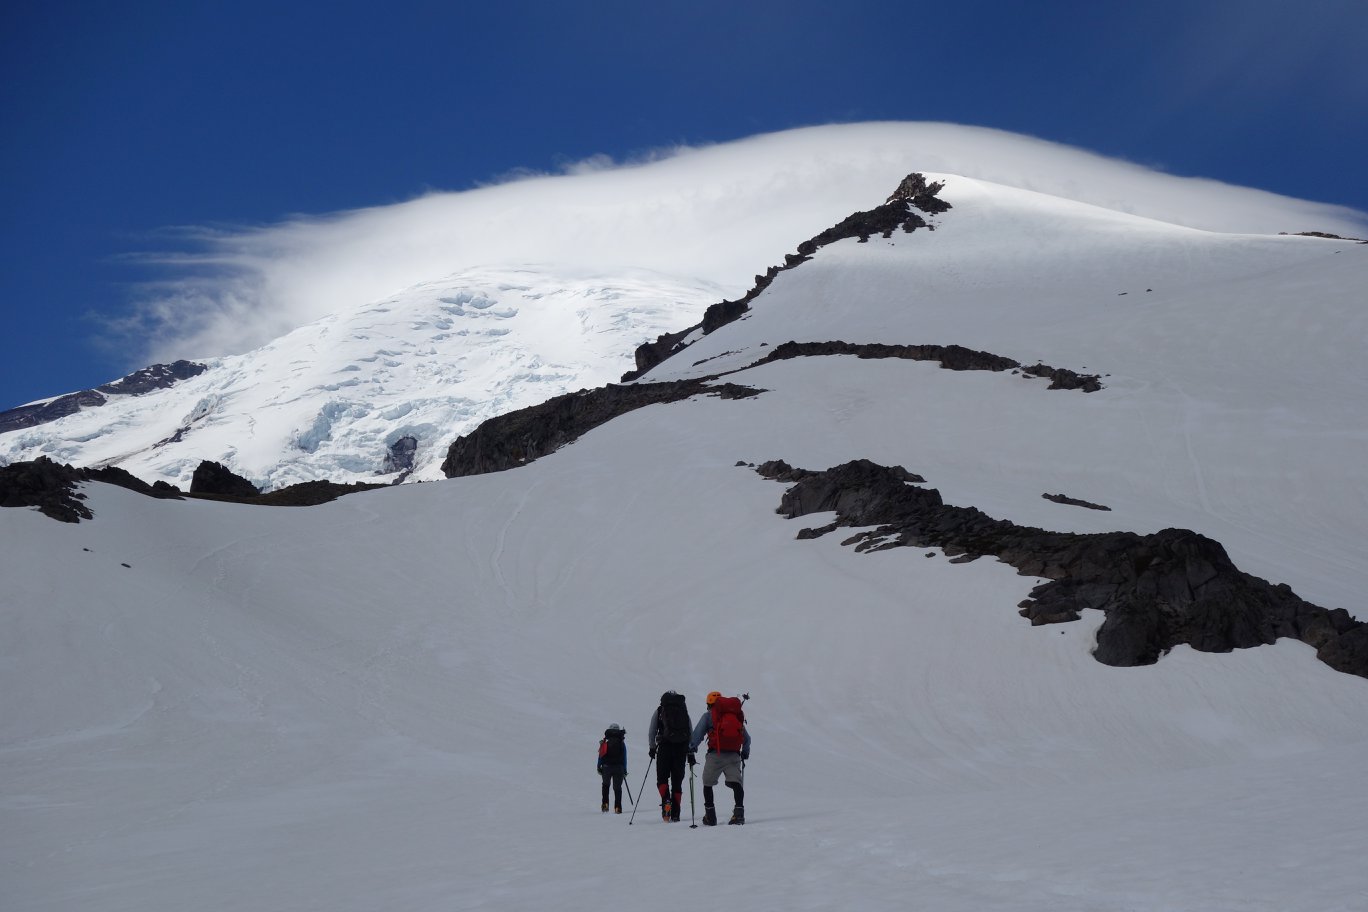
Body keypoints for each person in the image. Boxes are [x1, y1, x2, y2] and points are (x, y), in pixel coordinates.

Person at [689, 690, 750, 825]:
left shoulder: (708, 716)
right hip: (734, 755)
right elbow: (747, 739)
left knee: (707, 783)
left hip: (715, 755)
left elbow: (697, 734)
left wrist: (691, 749)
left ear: (709, 704)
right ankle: (739, 814)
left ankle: (710, 816)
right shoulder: (735, 715)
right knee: (736, 783)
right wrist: (745, 752)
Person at [647, 690, 691, 821]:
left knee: (662, 779)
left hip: (664, 748)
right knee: (677, 782)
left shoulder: (660, 710)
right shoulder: (683, 711)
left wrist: (652, 747)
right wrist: (690, 751)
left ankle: (666, 800)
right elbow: (690, 731)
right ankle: (676, 813)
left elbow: (652, 731)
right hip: (681, 750)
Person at [597, 723, 627, 813]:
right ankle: (618, 807)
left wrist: (599, 766)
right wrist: (624, 770)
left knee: (606, 785)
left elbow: (601, 756)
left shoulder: (605, 742)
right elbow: (624, 758)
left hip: (606, 768)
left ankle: (605, 804)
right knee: (617, 788)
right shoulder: (622, 743)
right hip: (619, 768)